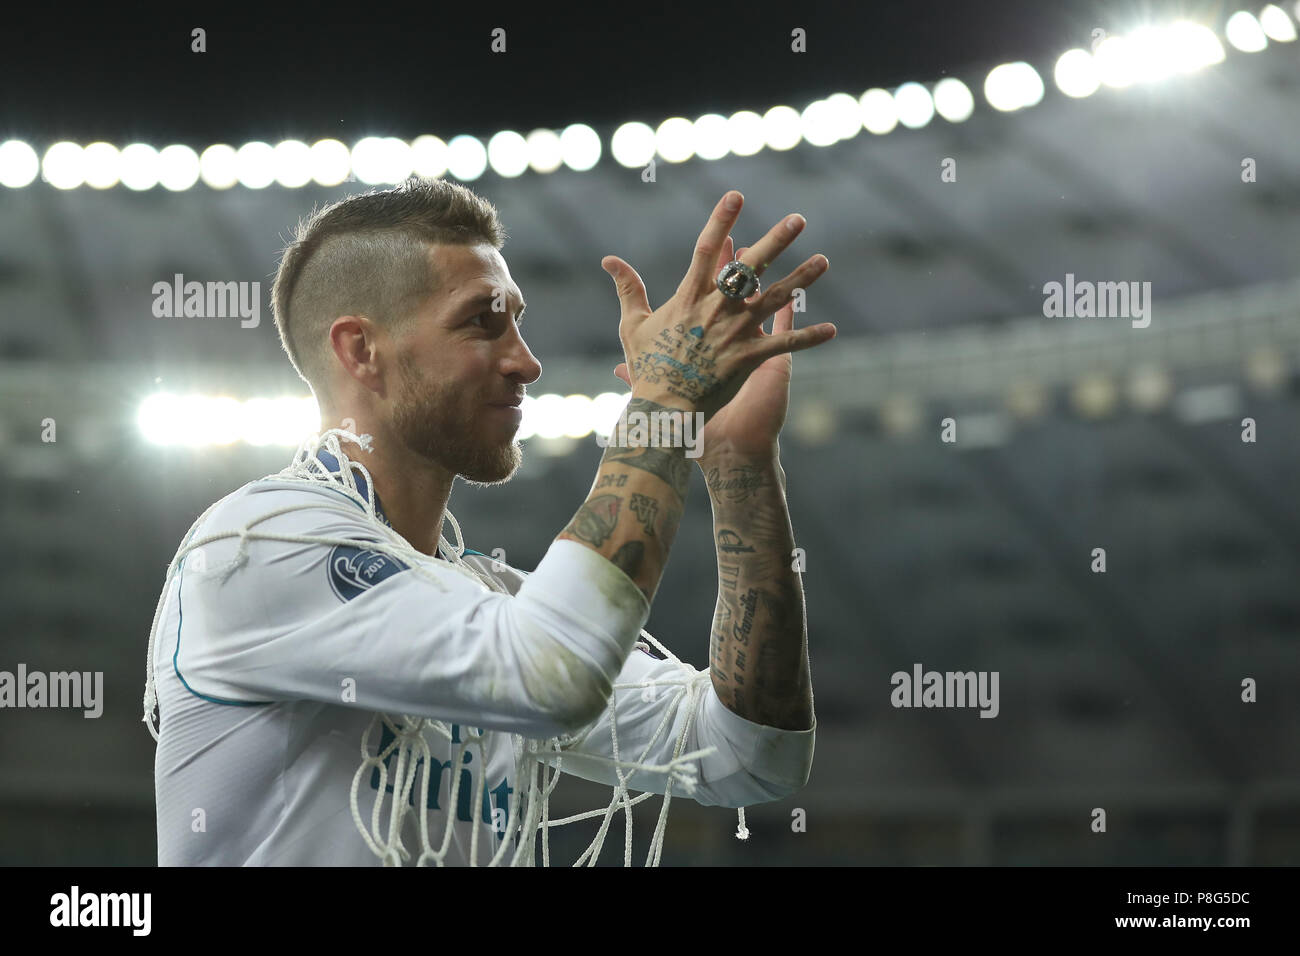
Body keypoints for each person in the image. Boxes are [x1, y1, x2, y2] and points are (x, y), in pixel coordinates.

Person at [142, 177, 835, 865]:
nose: (527, 361)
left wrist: (737, 463)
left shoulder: (486, 602)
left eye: (518, 322)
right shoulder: (256, 548)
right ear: (361, 351)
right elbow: (552, 672)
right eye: (483, 320)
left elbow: (750, 758)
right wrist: (668, 396)